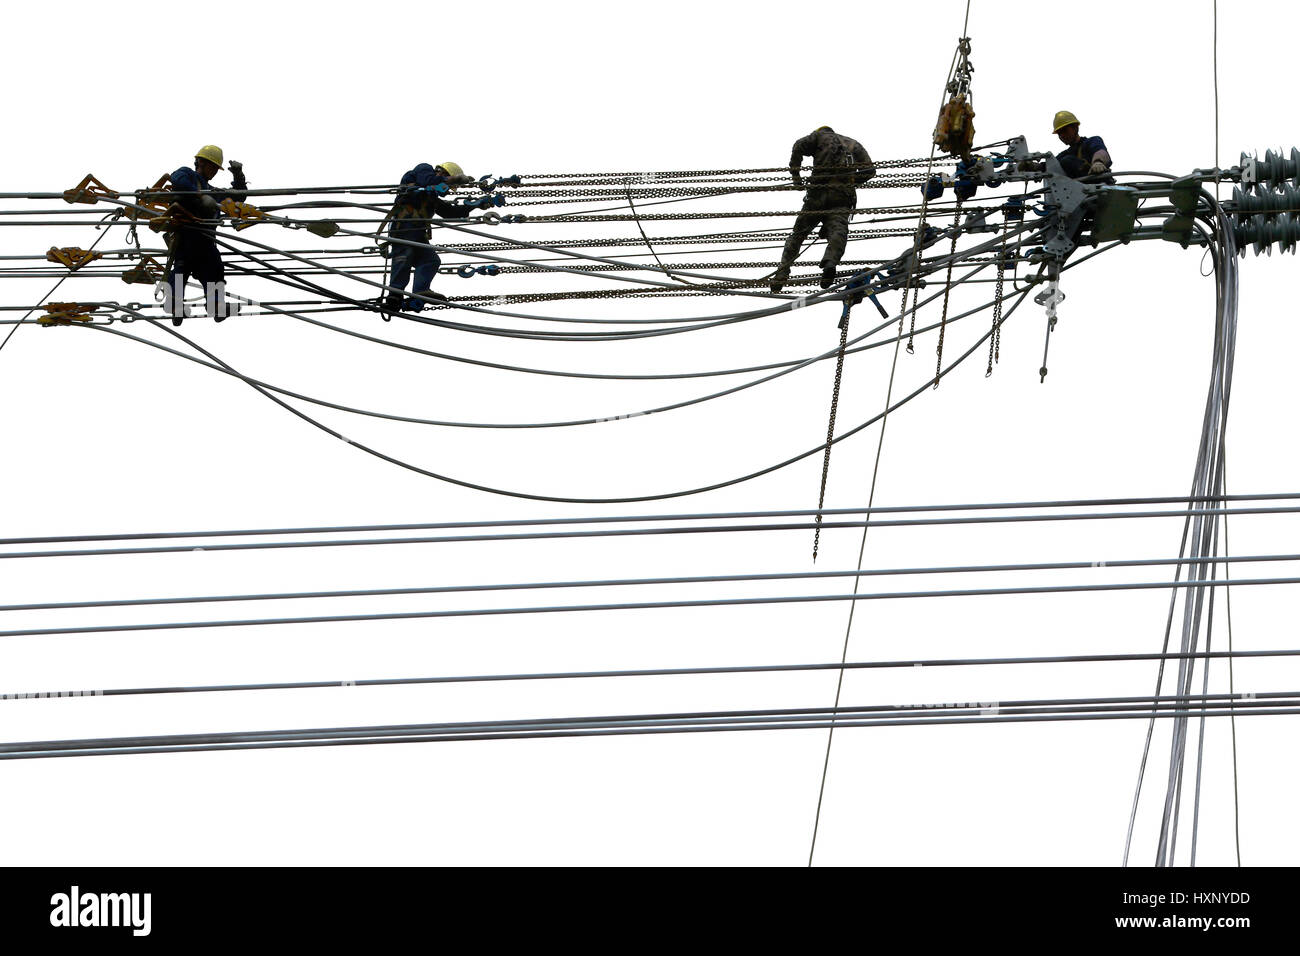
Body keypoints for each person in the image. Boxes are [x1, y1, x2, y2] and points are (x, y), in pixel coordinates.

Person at [771, 126, 876, 293]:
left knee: (798, 234)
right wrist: (849, 182)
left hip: (818, 194)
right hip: (842, 196)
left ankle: (782, 273)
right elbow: (870, 170)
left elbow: (798, 145)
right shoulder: (853, 144)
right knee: (838, 231)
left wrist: (796, 177)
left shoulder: (819, 136)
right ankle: (830, 264)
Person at [162, 144, 248, 325]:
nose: (214, 171)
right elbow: (177, 179)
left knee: (215, 270)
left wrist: (238, 176)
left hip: (206, 241)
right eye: (212, 167)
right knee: (180, 269)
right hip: (185, 236)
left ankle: (216, 306)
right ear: (200, 162)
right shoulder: (188, 175)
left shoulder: (214, 192)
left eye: (216, 169)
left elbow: (238, 198)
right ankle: (175, 306)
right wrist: (200, 196)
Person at [382, 162, 476, 313]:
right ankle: (395, 295)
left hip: (418, 232)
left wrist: (475, 205)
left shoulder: (431, 194)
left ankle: (419, 293)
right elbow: (427, 181)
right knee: (404, 257)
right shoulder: (423, 169)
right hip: (404, 227)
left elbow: (449, 213)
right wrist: (452, 180)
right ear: (442, 173)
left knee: (430, 260)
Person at [1051, 111, 1112, 179]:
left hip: (1098, 183)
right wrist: (1039, 166)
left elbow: (1101, 152)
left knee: (1067, 161)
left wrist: (1098, 162)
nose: (1062, 135)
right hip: (1077, 188)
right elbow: (1052, 164)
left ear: (1075, 128)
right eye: (1059, 133)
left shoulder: (1091, 141)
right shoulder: (1066, 153)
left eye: (1064, 131)